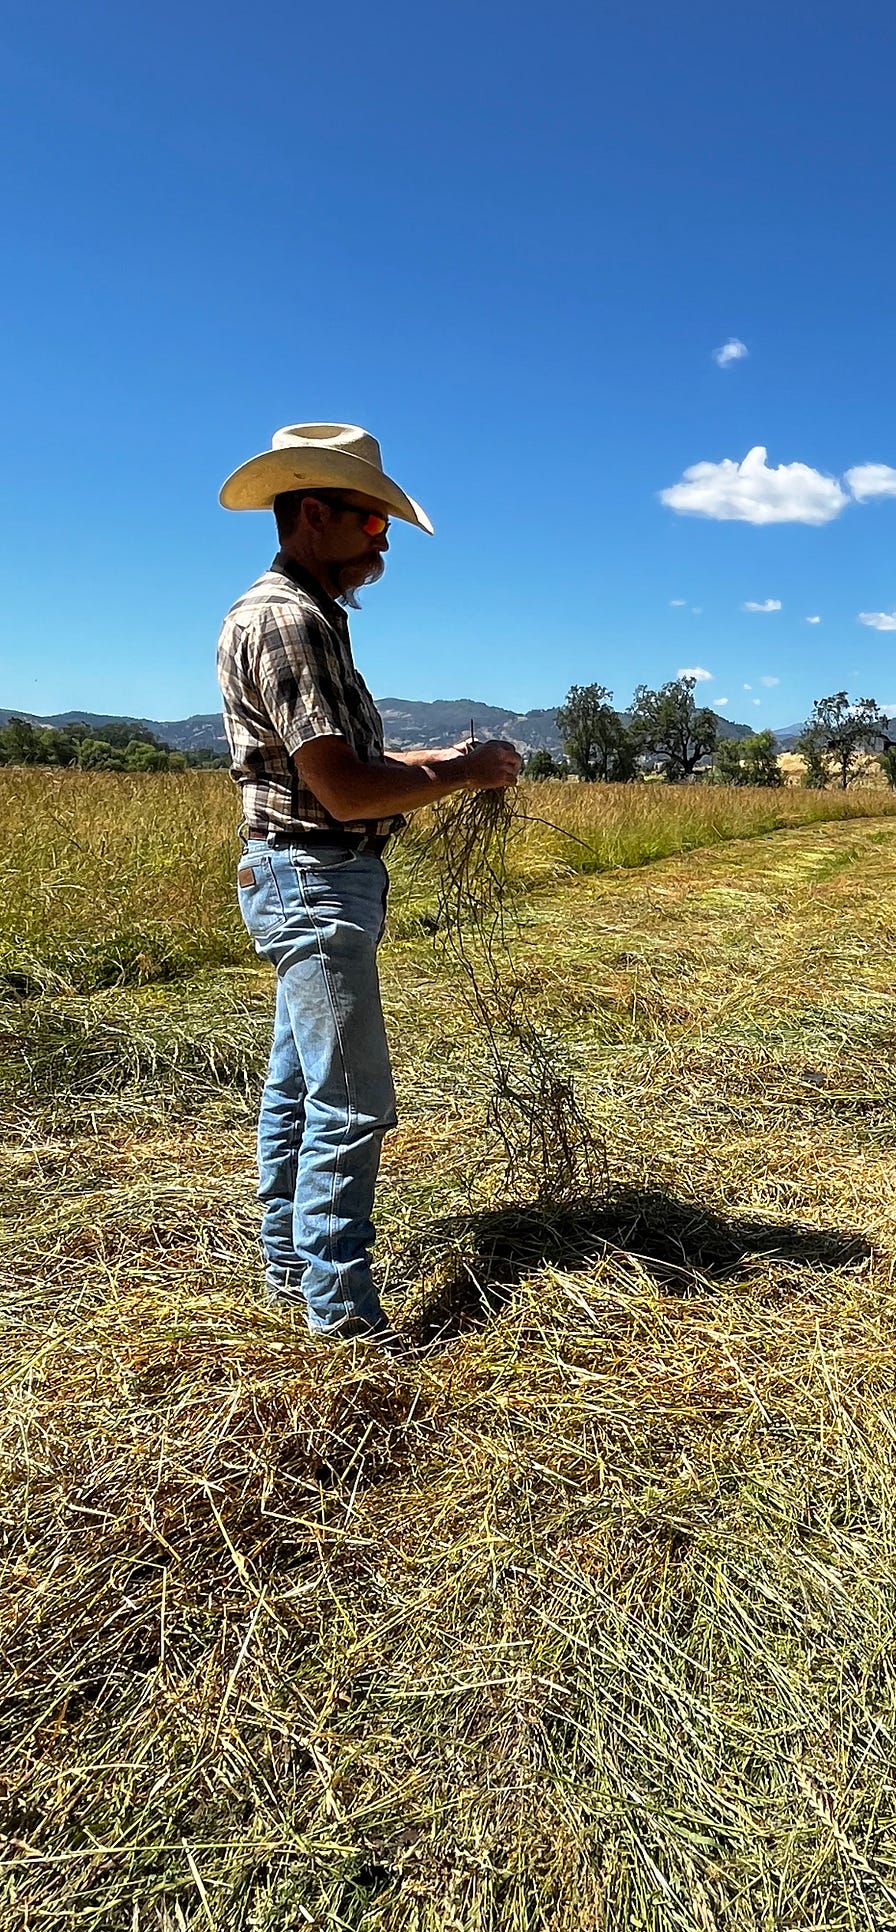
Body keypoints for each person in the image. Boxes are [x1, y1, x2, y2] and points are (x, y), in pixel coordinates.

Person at [216, 423, 521, 1345]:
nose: (383, 545)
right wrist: (462, 778)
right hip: (313, 878)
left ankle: (287, 1266)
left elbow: (349, 757)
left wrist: (452, 758)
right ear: (316, 513)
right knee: (353, 1099)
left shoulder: (305, 614)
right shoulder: (288, 621)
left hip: (309, 878)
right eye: (372, 524)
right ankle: (343, 1316)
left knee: (297, 1086)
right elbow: (343, 788)